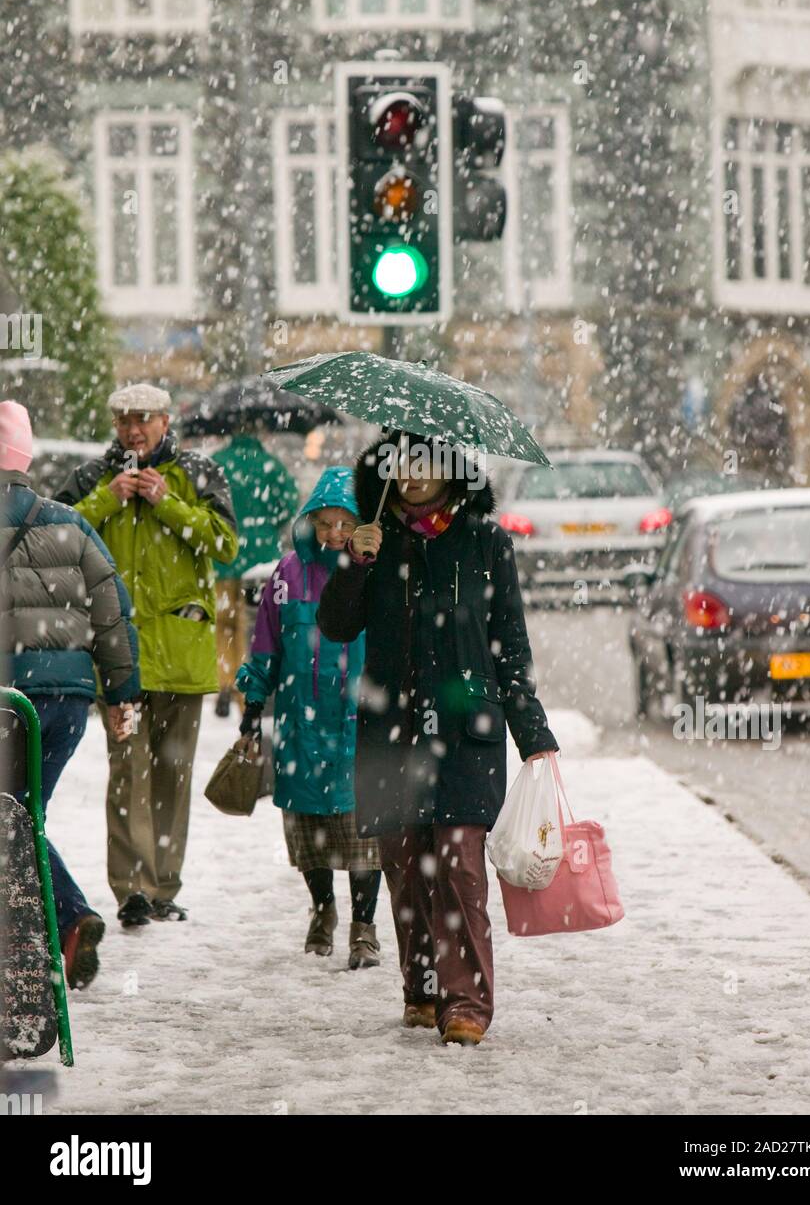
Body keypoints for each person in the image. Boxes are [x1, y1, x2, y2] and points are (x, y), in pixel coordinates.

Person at [317, 431, 559, 1044]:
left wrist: (531, 729)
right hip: (393, 727)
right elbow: (337, 626)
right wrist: (354, 560)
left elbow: (510, 642)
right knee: (404, 860)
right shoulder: (375, 540)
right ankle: (422, 987)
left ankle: (466, 1002)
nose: (413, 474)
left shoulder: (486, 542)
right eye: (402, 462)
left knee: (459, 864)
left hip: (465, 726)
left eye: (426, 461)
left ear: (452, 468)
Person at [56, 384, 238, 928]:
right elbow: (59, 537)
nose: (133, 430)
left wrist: (170, 504)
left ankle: (162, 886)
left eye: (143, 420)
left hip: (181, 654)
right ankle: (131, 890)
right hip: (121, 659)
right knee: (125, 774)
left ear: (165, 420)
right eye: (123, 421)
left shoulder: (200, 474)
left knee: (173, 776)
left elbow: (227, 546)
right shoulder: (93, 479)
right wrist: (107, 499)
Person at [0, 401, 140, 988]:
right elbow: (114, 613)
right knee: (22, 817)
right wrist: (123, 693)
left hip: (9, 700)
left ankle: (65, 920)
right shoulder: (71, 523)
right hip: (66, 703)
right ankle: (64, 925)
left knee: (14, 821)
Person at [236, 467, 381, 968]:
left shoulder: (374, 573)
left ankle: (365, 927)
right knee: (307, 835)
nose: (335, 532)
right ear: (309, 523)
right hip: (299, 726)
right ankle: (323, 910)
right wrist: (253, 706)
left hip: (357, 725)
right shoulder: (287, 576)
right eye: (325, 522)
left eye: (346, 522)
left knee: (364, 835)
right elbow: (265, 649)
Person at [210, 432, 298, 719]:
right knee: (254, 629)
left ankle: (225, 681)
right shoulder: (271, 465)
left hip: (223, 554)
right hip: (260, 561)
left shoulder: (217, 463)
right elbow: (289, 503)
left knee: (224, 625)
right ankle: (247, 688)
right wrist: (269, 524)